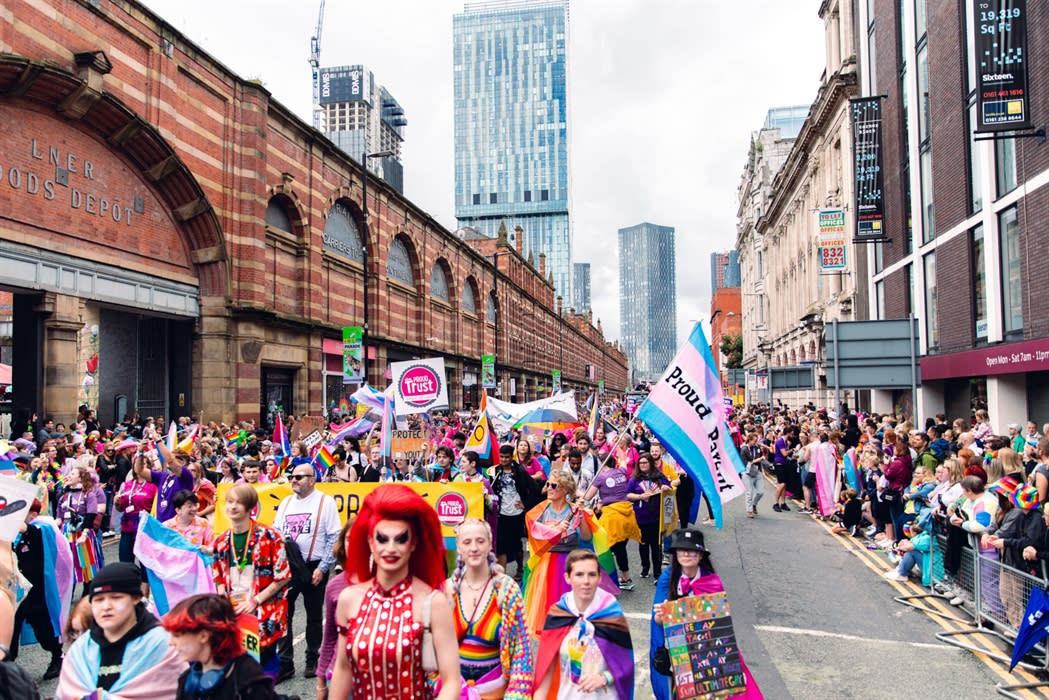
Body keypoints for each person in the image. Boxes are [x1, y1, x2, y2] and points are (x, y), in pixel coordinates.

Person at [329, 485, 460, 700]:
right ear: (370, 542)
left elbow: (451, 681)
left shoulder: (433, 602)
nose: (391, 548)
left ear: (414, 543)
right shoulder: (349, 599)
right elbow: (343, 670)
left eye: (401, 539)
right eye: (382, 538)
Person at [649, 529, 762, 700]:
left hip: (707, 649)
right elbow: (657, 621)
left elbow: (719, 623)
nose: (686, 553)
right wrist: (661, 616)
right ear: (676, 554)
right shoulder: (668, 578)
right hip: (680, 650)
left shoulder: (712, 582)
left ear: (701, 555)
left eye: (692, 550)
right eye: (681, 549)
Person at [56, 562, 184, 699]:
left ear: (136, 598)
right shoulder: (81, 649)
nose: (106, 606)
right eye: (99, 600)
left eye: (115, 598)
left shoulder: (163, 644)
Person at [442, 518, 533, 699]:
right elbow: (433, 652)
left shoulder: (506, 590)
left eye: (480, 541)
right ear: (459, 547)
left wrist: (516, 695)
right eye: (467, 542)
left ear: (490, 544)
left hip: (495, 692)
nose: (474, 548)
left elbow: (521, 652)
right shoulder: (447, 590)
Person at [212, 484, 291, 680]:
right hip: (235, 612)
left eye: (238, 502)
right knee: (238, 669)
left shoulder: (270, 536)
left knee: (264, 667)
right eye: (230, 502)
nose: (233, 507)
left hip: (264, 611)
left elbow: (283, 576)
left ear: (249, 506)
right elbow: (218, 577)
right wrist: (223, 596)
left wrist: (255, 601)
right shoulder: (221, 541)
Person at [522, 470, 615, 635]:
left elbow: (586, 537)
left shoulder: (574, 510)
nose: (548, 488)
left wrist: (583, 516)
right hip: (546, 565)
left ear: (564, 490)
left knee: (571, 613)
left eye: (553, 485)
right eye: (548, 484)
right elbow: (534, 532)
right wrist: (555, 529)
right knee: (548, 612)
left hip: (568, 563)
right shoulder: (541, 510)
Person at [533, 550, 634, 700]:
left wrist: (605, 677)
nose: (586, 581)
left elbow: (625, 662)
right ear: (568, 577)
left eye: (592, 574)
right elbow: (546, 668)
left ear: (600, 578)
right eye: (579, 574)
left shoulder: (611, 614)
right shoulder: (559, 614)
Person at [273, 464, 341, 681]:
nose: (294, 480)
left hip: (314, 567)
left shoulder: (325, 502)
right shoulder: (285, 503)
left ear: (312, 479)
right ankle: (285, 663)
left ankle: (313, 659)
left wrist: (322, 568)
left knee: (313, 616)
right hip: (289, 568)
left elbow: (334, 537)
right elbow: (277, 535)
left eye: (299, 476)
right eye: (292, 476)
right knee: (284, 615)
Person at [163, 593, 275, 700]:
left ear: (203, 636)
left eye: (177, 635)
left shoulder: (248, 677)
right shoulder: (186, 681)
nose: (171, 642)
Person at [9, 500, 69, 680]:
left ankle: (57, 657)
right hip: (15, 589)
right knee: (10, 628)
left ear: (33, 514)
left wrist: (26, 528)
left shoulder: (43, 527)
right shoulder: (11, 533)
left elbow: (37, 536)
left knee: (43, 630)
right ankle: (8, 668)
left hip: (37, 592)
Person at [582, 455, 642, 591]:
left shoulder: (601, 477)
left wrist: (575, 491)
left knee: (608, 548)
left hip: (612, 517)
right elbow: (624, 459)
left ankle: (617, 579)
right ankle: (625, 577)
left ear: (601, 462)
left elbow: (587, 496)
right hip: (627, 514)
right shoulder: (621, 472)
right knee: (620, 548)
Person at [491, 444, 541, 577]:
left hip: (516, 514)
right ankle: (502, 575)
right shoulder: (495, 471)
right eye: (501, 457)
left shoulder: (520, 471)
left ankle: (520, 568)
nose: (503, 460)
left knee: (516, 544)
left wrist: (525, 504)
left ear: (511, 456)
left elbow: (535, 488)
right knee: (501, 544)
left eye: (506, 457)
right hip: (500, 514)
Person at [626, 453, 671, 579]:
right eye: (640, 463)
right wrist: (640, 496)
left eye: (645, 462)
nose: (643, 465)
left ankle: (657, 571)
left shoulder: (659, 477)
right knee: (643, 544)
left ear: (651, 463)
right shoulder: (635, 479)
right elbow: (628, 494)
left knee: (656, 545)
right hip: (641, 517)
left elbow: (669, 488)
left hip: (656, 517)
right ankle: (645, 568)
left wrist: (666, 487)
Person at [116, 454, 159, 563]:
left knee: (146, 563)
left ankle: (145, 580)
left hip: (145, 528)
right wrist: (117, 503)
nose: (140, 465)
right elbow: (120, 508)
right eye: (137, 463)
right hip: (127, 527)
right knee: (125, 561)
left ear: (148, 466)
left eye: (143, 463)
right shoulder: (126, 484)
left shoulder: (154, 486)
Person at [151, 449, 197, 523]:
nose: (168, 459)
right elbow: (139, 471)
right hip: (161, 525)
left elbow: (170, 461)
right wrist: (140, 452)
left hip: (178, 524)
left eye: (173, 457)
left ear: (183, 462)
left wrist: (158, 440)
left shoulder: (186, 475)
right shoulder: (163, 476)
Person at [740, 432, 764, 518]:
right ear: (749, 440)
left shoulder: (757, 448)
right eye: (754, 441)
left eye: (756, 440)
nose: (755, 442)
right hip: (747, 472)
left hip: (757, 471)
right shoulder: (744, 449)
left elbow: (762, 457)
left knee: (760, 492)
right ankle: (749, 511)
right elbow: (746, 462)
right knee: (749, 492)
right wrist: (758, 459)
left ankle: (754, 504)